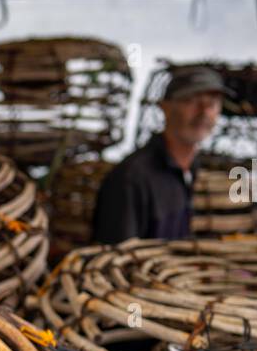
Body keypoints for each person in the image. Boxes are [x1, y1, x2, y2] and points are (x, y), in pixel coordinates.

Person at [92, 66, 231, 245]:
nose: (203, 112)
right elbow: (117, 256)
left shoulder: (195, 171)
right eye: (191, 101)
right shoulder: (132, 178)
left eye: (212, 103)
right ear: (165, 107)